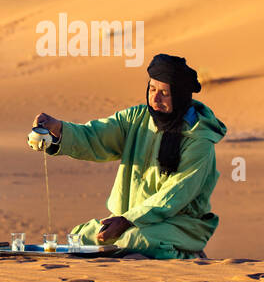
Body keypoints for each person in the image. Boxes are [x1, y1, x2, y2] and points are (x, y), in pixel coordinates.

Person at [31, 53, 227, 259]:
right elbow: (96, 136)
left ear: (179, 96)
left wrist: (128, 220)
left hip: (179, 224)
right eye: (152, 89)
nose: (155, 98)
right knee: (81, 237)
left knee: (136, 240)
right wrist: (58, 130)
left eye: (164, 93)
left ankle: (190, 257)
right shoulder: (137, 119)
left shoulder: (199, 140)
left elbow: (175, 195)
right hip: (127, 221)